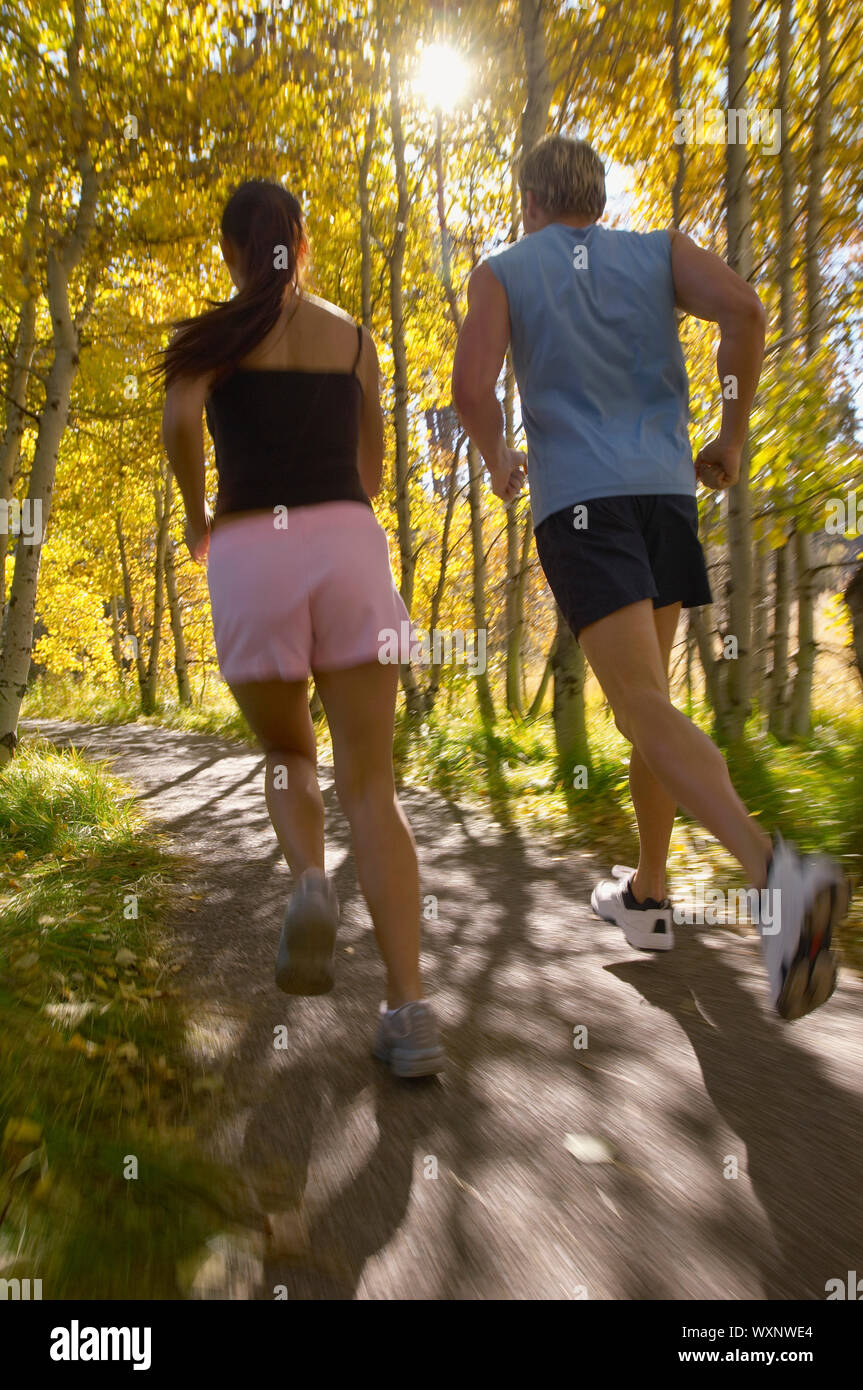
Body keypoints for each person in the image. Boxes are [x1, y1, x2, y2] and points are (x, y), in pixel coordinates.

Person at [452, 134, 847, 1021]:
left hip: (582, 505)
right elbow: (744, 311)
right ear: (597, 195)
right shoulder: (657, 250)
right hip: (665, 496)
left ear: (529, 200)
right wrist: (732, 435)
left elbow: (469, 387)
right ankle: (648, 891)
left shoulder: (504, 268)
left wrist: (496, 458)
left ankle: (777, 877)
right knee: (653, 708)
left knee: (639, 709)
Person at [159, 179, 444, 1076]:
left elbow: (179, 425)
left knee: (290, 756)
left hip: (251, 551)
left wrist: (201, 518)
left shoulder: (205, 340)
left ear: (229, 252)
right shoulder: (353, 336)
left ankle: (311, 883)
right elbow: (373, 469)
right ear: (302, 242)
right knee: (375, 787)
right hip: (348, 546)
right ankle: (409, 1016)